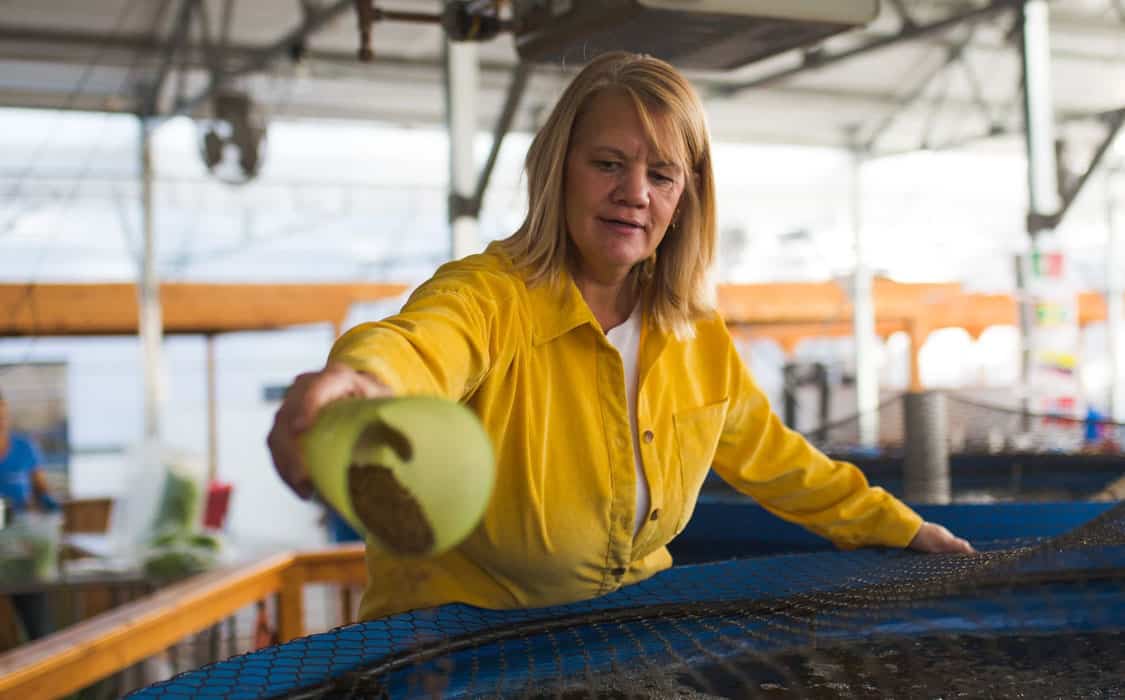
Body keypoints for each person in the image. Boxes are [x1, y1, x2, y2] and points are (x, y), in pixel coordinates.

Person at [268, 51, 974, 622]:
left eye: (660, 174)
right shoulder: (492, 296)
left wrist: (899, 528)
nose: (633, 192)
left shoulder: (693, 335)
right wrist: (361, 386)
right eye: (607, 163)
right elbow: (420, 343)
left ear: (683, 197)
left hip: (614, 636)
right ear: (559, 171)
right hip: (451, 652)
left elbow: (778, 460)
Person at [0, 389, 60, 640]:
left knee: (38, 628)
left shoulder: (24, 447)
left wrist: (50, 508)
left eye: (2, 413)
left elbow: (42, 489)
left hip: (22, 550)